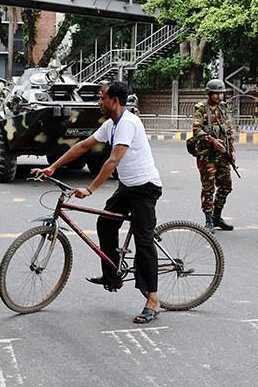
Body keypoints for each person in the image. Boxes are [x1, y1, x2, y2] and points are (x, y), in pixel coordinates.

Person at [32, 81, 163, 324]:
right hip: (127, 187)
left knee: (143, 241)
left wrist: (90, 189)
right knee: (105, 223)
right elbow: (82, 146)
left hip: (145, 189)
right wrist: (53, 167)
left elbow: (113, 161)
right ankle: (112, 277)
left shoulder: (127, 123)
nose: (98, 102)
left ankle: (152, 300)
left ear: (113, 100)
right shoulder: (110, 125)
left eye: (101, 97)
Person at [191, 79, 236, 233]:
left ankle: (217, 216)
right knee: (208, 188)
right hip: (207, 155)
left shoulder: (223, 108)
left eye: (221, 93)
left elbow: (229, 131)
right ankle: (208, 219)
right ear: (209, 94)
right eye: (216, 93)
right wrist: (212, 141)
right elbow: (196, 130)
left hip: (223, 155)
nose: (219, 96)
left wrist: (232, 151)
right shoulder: (202, 109)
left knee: (226, 186)